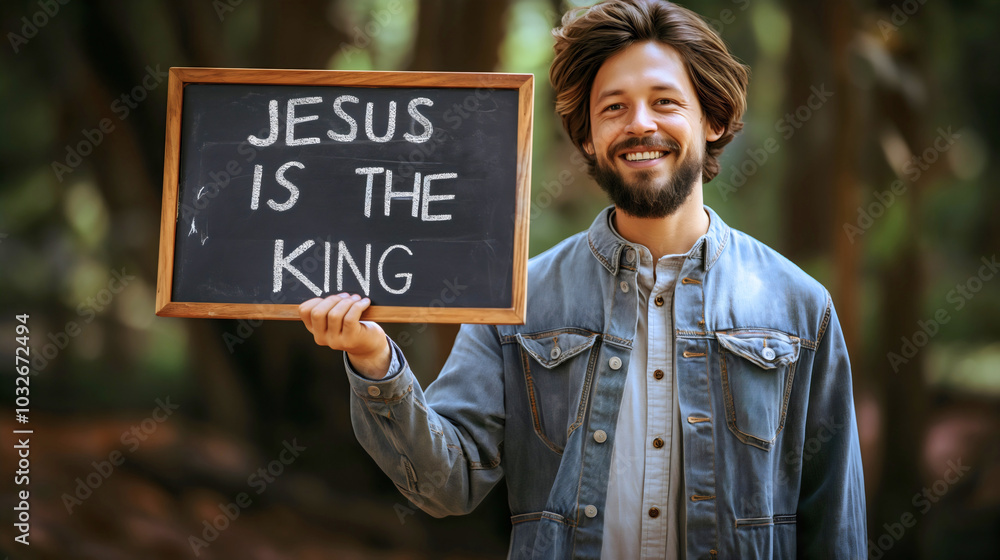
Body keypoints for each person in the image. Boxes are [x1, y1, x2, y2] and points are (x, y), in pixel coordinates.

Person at [299, 0, 867, 557]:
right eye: (613, 108)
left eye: (665, 102)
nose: (639, 123)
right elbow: (447, 483)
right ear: (588, 138)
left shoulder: (798, 306)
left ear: (712, 119)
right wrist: (374, 363)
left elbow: (834, 523)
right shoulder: (517, 298)